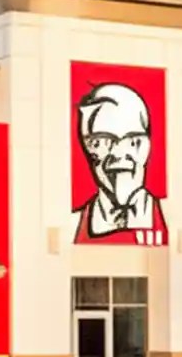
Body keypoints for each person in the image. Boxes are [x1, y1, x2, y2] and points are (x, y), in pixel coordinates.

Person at [72, 82, 168, 245]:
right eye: (102, 141)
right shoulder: (71, 227)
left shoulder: (171, 218)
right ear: (86, 148)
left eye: (133, 141)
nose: (118, 154)